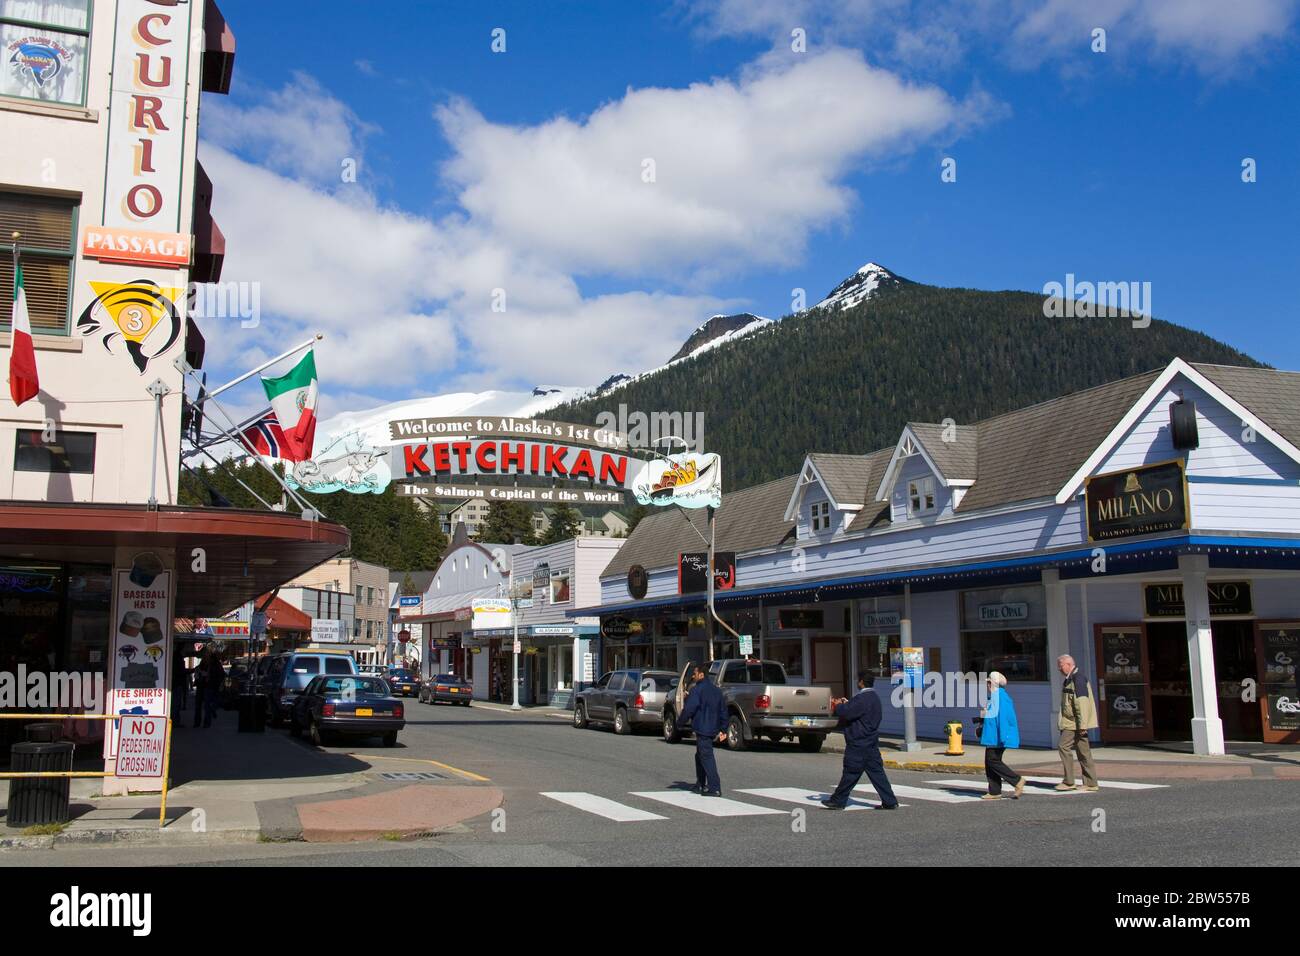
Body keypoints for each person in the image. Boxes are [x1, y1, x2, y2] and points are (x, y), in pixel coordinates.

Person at [822, 672, 899, 810]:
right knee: (877, 773)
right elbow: (855, 710)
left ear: (861, 682)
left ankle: (838, 800)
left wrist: (838, 705)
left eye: (858, 680)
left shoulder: (862, 698)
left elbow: (846, 712)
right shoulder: (874, 698)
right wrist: (848, 703)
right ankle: (890, 801)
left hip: (858, 742)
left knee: (850, 772)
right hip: (870, 741)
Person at [675, 663, 728, 795]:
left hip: (703, 728)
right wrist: (723, 729)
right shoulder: (717, 691)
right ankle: (700, 784)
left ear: (701, 675)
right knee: (699, 756)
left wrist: (680, 723)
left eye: (695, 673)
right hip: (713, 727)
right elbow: (723, 711)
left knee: (706, 756)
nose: (693, 676)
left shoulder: (697, 690)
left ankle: (715, 787)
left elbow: (689, 709)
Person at [1057, 654, 1100, 791]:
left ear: (1068, 664)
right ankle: (1091, 783)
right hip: (1075, 722)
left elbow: (1082, 703)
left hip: (1074, 723)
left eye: (1060, 665)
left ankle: (1069, 781)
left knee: (1063, 746)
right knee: (1083, 751)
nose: (1059, 668)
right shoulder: (1070, 679)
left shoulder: (1077, 678)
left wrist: (1083, 725)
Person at [979, 672, 1025, 799]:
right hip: (992, 736)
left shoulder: (999, 697)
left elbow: (1004, 718)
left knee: (992, 760)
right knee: (990, 762)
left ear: (992, 683)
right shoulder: (995, 696)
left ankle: (1017, 780)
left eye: (988, 683)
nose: (987, 685)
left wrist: (1004, 736)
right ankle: (994, 791)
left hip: (997, 736)